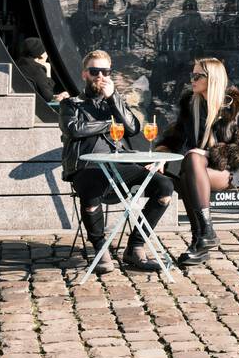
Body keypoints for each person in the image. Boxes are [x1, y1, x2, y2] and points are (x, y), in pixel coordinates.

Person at [60, 50, 171, 274]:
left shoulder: (114, 102)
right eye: (94, 71)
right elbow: (74, 129)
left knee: (165, 187)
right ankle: (101, 250)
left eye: (105, 71)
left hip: (119, 167)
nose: (99, 76)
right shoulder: (72, 104)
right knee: (91, 187)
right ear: (84, 74)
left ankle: (136, 246)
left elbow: (132, 128)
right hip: (86, 167)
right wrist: (108, 124)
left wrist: (113, 99)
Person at [157, 58, 239, 267]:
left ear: (211, 79)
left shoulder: (236, 105)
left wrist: (208, 154)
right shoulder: (190, 102)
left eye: (197, 76)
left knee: (193, 160)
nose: (192, 80)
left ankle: (204, 235)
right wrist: (162, 153)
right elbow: (176, 136)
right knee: (178, 172)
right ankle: (201, 241)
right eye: (191, 75)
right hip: (199, 171)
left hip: (229, 170)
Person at [15, 38, 69, 103]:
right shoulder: (36, 70)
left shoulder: (17, 64)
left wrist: (56, 96)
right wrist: (48, 72)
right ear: (40, 55)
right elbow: (48, 97)